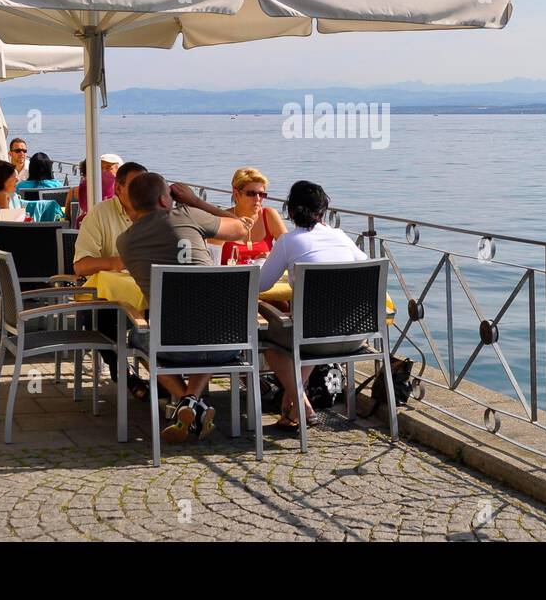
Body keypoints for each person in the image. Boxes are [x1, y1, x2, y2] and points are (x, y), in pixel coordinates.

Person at [116, 172, 250, 443]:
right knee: (208, 327)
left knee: (137, 335)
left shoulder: (125, 242)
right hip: (225, 342)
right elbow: (241, 228)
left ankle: (185, 403)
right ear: (165, 200)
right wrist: (193, 201)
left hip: (170, 346)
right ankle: (191, 402)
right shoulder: (187, 215)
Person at [258, 181, 370, 430]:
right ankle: (294, 407)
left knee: (271, 346)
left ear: (290, 210)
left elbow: (261, 285)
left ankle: (302, 405)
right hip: (355, 336)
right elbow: (365, 266)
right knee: (309, 331)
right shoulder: (340, 236)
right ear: (323, 211)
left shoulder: (288, 241)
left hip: (313, 338)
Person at [71, 161, 145, 387]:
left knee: (166, 313)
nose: (141, 190)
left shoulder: (156, 214)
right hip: (104, 296)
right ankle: (123, 373)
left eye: (145, 184)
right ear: (119, 188)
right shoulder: (100, 214)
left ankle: (171, 379)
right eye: (135, 185)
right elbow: (80, 267)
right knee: (104, 313)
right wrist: (116, 262)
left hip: (145, 289)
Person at [217, 167, 287, 265]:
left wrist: (271, 255)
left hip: (262, 278)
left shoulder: (269, 216)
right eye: (251, 194)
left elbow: (289, 251)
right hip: (230, 278)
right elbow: (211, 259)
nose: (258, 198)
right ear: (236, 194)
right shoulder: (223, 220)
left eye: (262, 194)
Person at [72, 153, 120, 226]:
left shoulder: (124, 193)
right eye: (100, 168)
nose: (103, 171)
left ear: (119, 170)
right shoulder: (86, 188)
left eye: (108, 168)